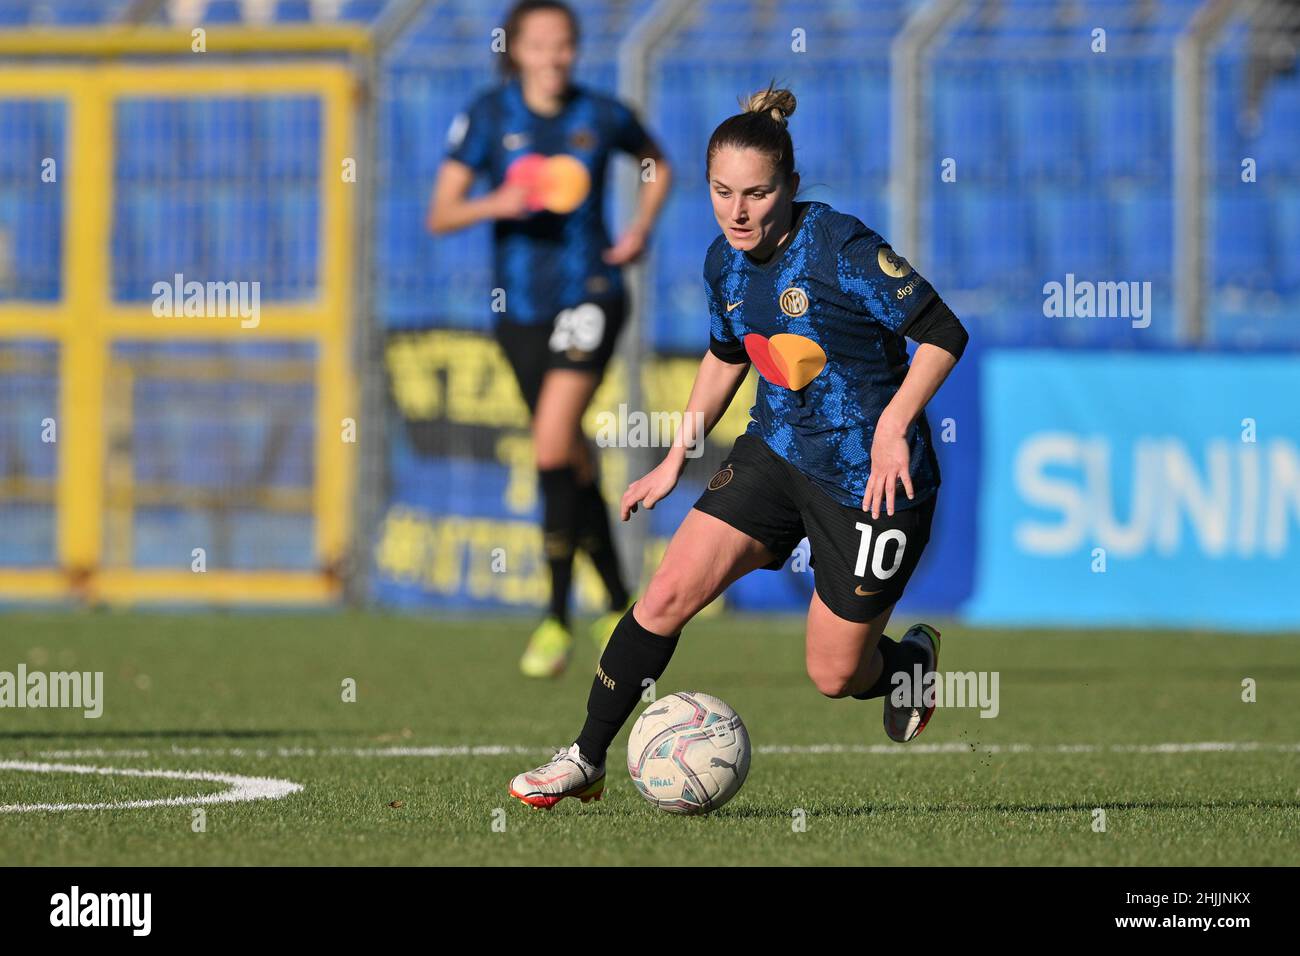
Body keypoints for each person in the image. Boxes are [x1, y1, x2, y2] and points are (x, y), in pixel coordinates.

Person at [508, 84, 969, 809]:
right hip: (775, 452)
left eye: (756, 193)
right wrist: (673, 459)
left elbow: (944, 333)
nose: (739, 211)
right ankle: (584, 759)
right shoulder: (722, 264)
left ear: (788, 185)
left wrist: (891, 426)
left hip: (872, 482)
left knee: (834, 674)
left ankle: (907, 662)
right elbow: (727, 355)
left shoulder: (840, 247)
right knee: (662, 595)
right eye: (723, 192)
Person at [428, 0, 672, 677]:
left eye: (564, 44)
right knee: (570, 453)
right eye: (541, 44)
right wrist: (495, 203)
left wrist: (641, 228)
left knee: (550, 438)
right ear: (517, 50)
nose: (555, 56)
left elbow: (657, 164)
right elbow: (441, 213)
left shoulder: (599, 114)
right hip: (520, 309)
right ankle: (621, 602)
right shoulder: (489, 115)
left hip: (592, 291)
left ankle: (555, 618)